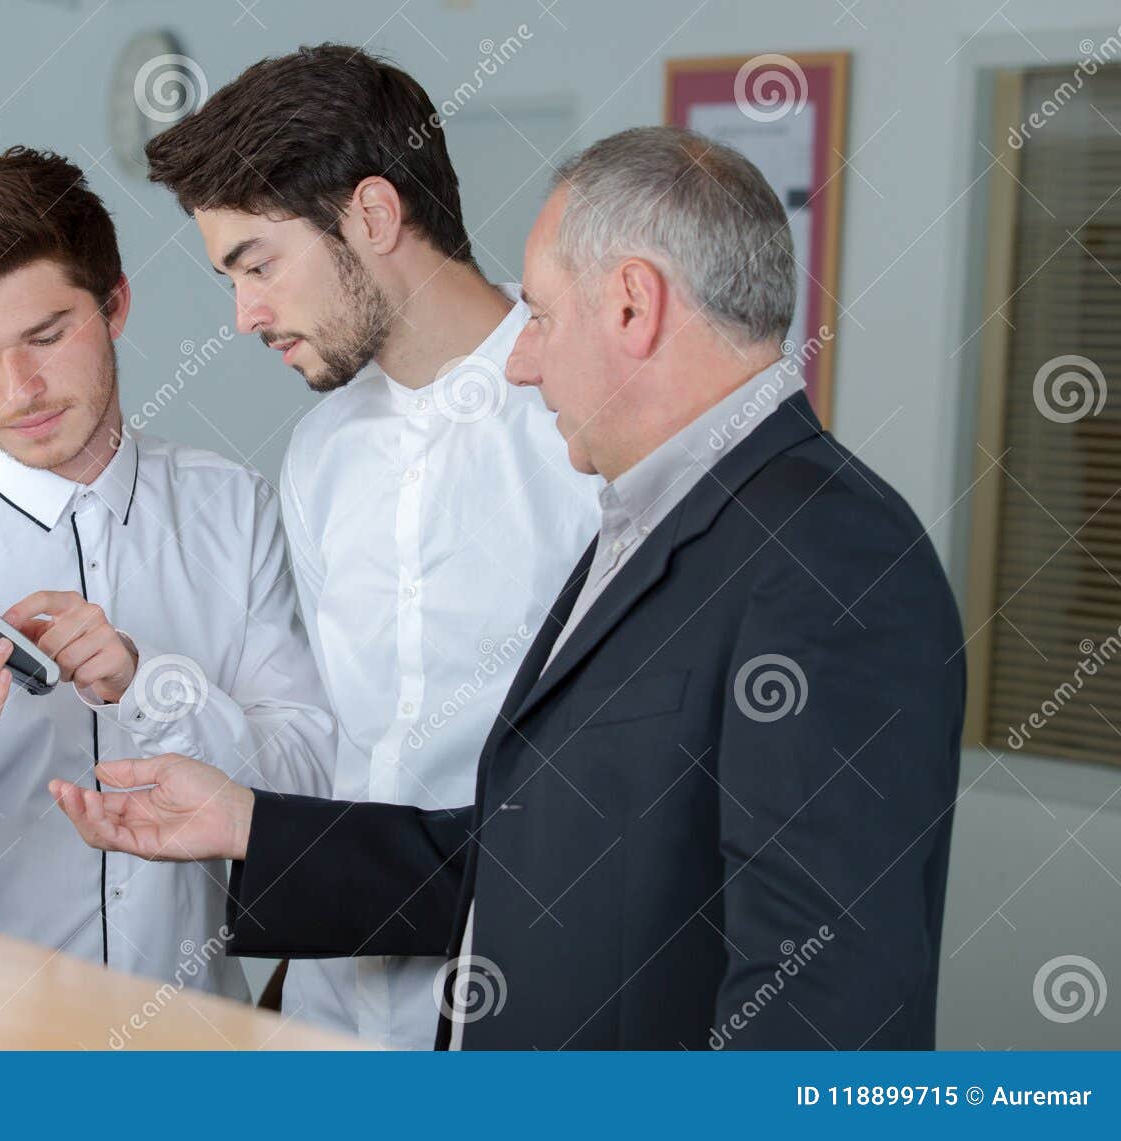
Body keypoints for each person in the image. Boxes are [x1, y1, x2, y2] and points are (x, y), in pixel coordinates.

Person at [51, 126, 966, 1049]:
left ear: (631, 307)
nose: (521, 362)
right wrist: (250, 822)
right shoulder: (643, 520)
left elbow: (829, 998)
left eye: (541, 315)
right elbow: (532, 858)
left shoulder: (831, 556)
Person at [143, 43, 602, 1048]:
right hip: (328, 1009)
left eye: (256, 265)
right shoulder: (319, 453)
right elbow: (344, 747)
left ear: (373, 216)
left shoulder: (581, 437)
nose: (243, 315)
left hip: (530, 1006)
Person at [0, 147, 333, 1001]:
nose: (22, 389)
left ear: (114, 303)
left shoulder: (233, 509)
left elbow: (308, 787)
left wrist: (152, 684)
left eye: (47, 336)